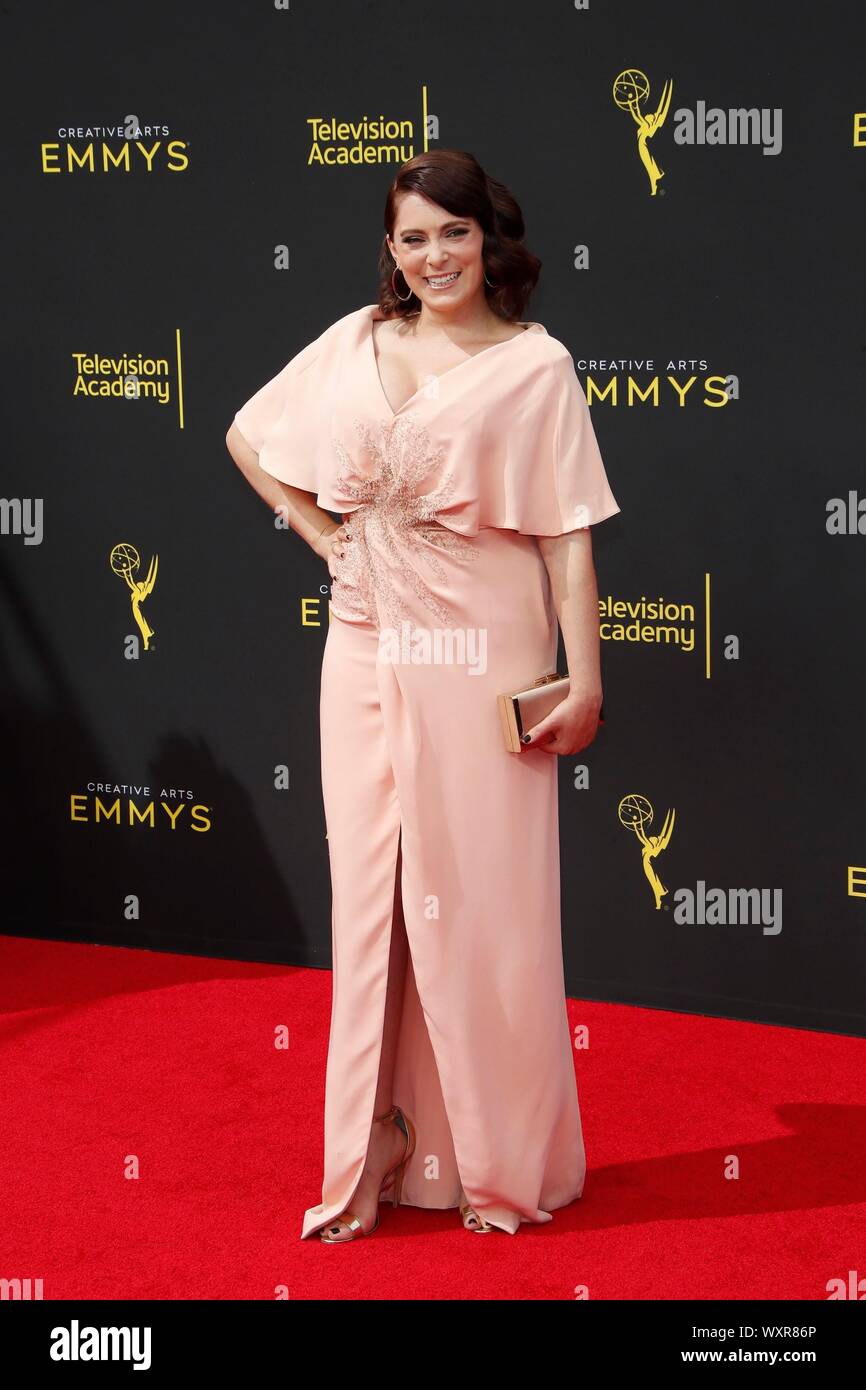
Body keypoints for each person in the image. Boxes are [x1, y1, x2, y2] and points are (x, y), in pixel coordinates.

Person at [225, 149, 621, 1241]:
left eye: (452, 232)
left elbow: (566, 538)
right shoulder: (358, 340)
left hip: (484, 657)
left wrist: (583, 676)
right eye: (411, 236)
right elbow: (249, 436)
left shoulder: (536, 367)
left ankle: (499, 1159)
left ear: (488, 239)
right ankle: (375, 1147)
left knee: (482, 909)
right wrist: (322, 535)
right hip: (359, 649)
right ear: (389, 250)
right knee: (372, 908)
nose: (433, 255)